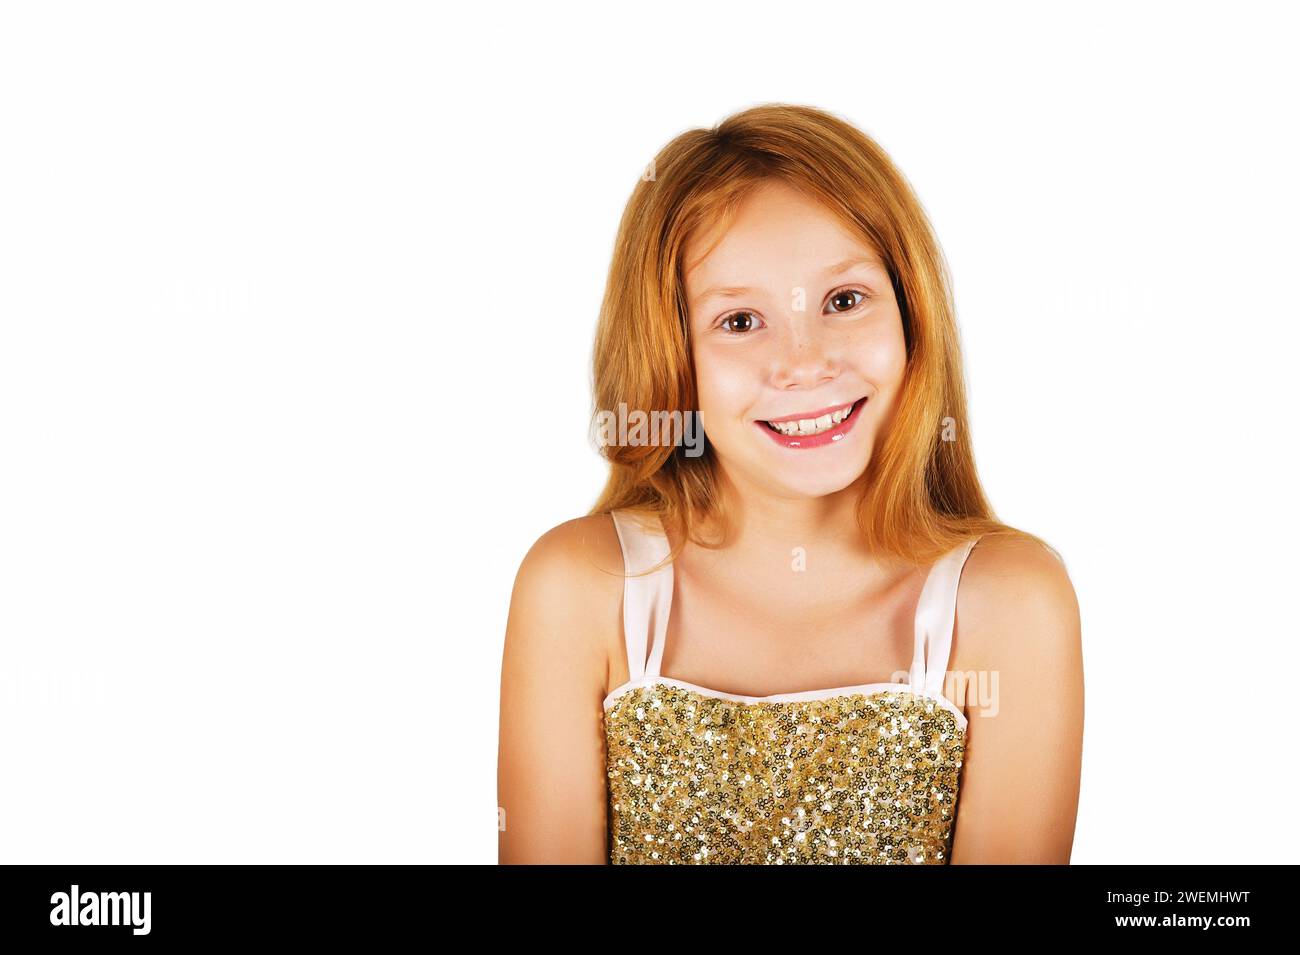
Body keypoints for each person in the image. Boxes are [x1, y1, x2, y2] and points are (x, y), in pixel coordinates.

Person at [498, 103, 1083, 864]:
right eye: (741, 321)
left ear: (912, 318)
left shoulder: (1008, 603)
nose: (805, 363)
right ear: (674, 359)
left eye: (844, 301)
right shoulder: (585, 589)